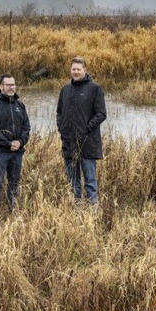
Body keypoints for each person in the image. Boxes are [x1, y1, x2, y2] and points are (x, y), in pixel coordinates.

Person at [56, 57, 107, 204]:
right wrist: (62, 129)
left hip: (88, 144)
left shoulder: (95, 89)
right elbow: (59, 113)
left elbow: (101, 114)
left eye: (79, 69)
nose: (76, 72)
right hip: (69, 144)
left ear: (85, 70)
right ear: (70, 70)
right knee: (73, 182)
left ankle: (92, 213)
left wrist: (86, 129)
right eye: (73, 69)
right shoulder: (65, 90)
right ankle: (76, 211)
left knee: (90, 182)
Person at [0, 74, 30, 218]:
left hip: (17, 153)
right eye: (8, 85)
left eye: (13, 84)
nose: (11, 87)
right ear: (1, 87)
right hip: (0, 152)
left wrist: (20, 142)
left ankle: (13, 212)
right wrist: (8, 143)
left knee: (14, 183)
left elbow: (26, 127)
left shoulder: (19, 105)